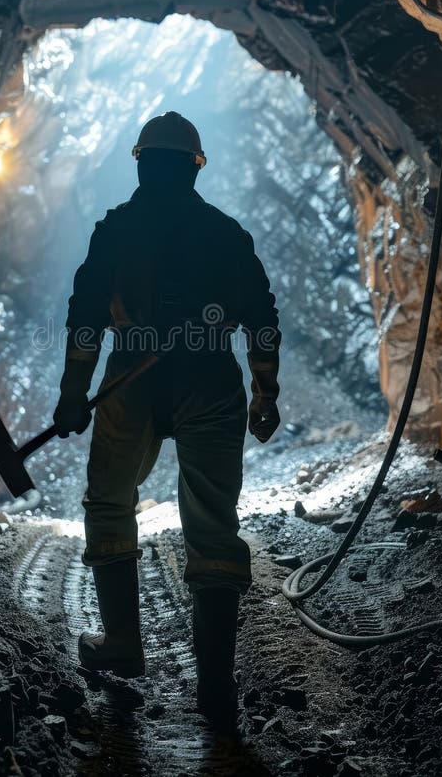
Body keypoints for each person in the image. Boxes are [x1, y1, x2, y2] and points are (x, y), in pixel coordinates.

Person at [53, 111, 281, 728]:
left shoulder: (116, 230)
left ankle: (123, 643)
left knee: (109, 501)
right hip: (210, 381)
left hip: (132, 379)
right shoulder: (226, 234)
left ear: (141, 163)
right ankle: (215, 688)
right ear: (194, 168)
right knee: (212, 525)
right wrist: (265, 393)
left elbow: (85, 316)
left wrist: (74, 393)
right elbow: (261, 319)